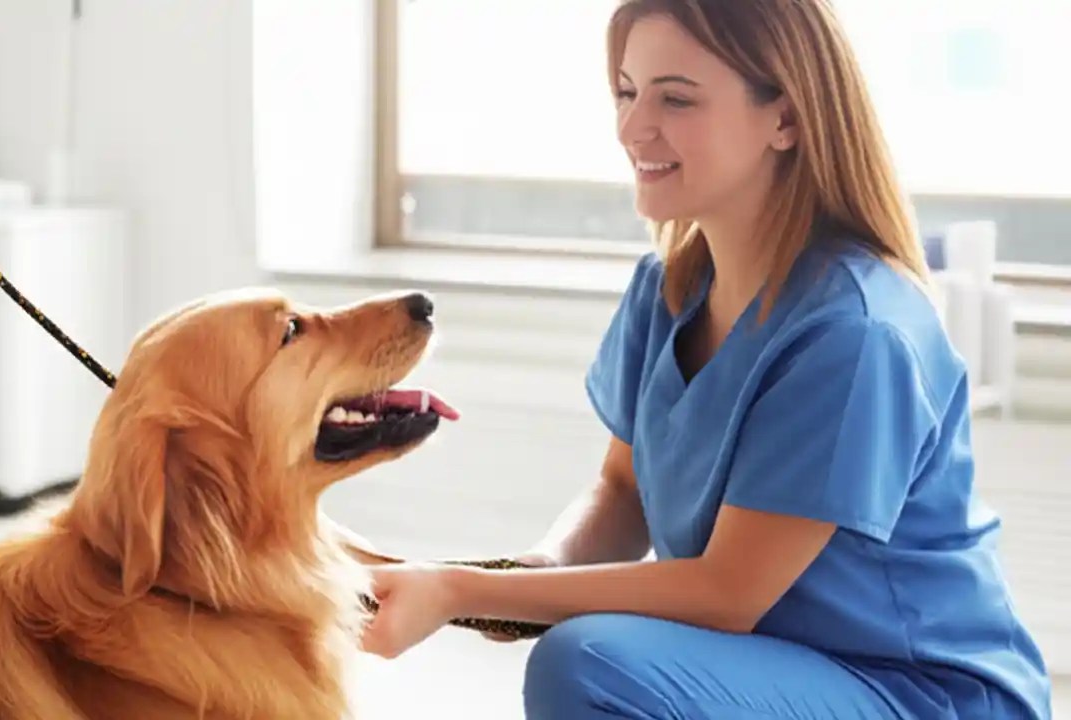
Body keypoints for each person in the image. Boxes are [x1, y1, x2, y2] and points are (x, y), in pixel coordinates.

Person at [359, 1, 1053, 718]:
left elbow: (727, 594)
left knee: (590, 663)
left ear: (785, 118)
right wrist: (532, 572)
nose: (632, 128)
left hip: (918, 694)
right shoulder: (667, 290)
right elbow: (622, 493)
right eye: (627, 92)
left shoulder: (855, 333)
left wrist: (464, 591)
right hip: (770, 666)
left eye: (676, 98)